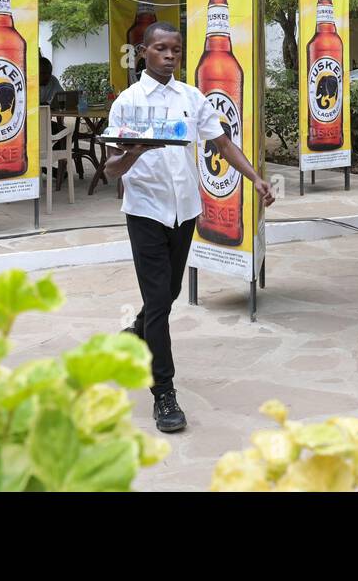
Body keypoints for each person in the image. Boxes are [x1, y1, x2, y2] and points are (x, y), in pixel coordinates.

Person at [103, 21, 274, 433]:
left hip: (185, 210)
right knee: (161, 299)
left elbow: (222, 143)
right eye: (160, 48)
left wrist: (254, 177)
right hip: (145, 210)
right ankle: (164, 392)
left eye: (175, 50)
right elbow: (111, 170)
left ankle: (137, 331)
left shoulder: (191, 97)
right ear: (143, 52)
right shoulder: (127, 102)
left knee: (170, 291)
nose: (168, 55)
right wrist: (135, 153)